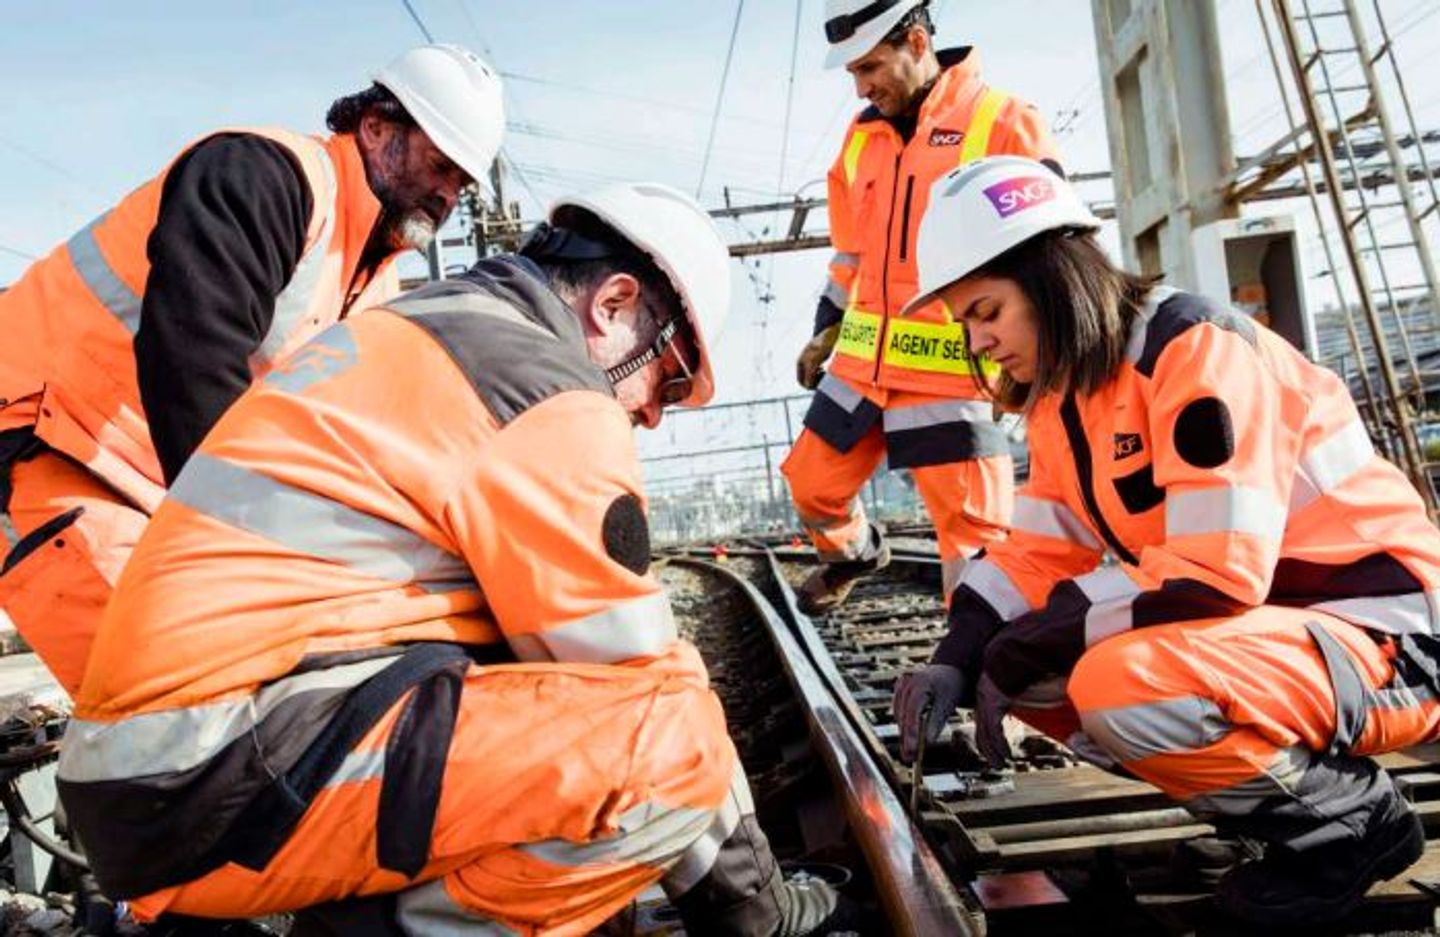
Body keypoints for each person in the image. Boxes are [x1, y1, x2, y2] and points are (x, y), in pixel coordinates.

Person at [56, 183, 854, 937]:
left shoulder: (408, 330)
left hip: (169, 773)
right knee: (668, 741)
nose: (650, 413)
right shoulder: (539, 387)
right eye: (669, 381)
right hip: (213, 778)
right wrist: (757, 906)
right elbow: (640, 676)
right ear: (614, 305)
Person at [892, 155, 1440, 924]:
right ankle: (1269, 815)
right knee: (1040, 670)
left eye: (987, 311)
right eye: (965, 324)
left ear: (1053, 277)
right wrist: (959, 654)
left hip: (1388, 635)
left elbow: (1213, 573)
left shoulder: (1193, 348)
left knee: (1121, 681)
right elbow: (1036, 553)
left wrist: (1031, 639)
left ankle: (1348, 822)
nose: (978, 342)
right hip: (1279, 642)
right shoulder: (1066, 399)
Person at [0, 44, 506, 695]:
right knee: (172, 696)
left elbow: (354, 447)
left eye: (461, 185)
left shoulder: (371, 281)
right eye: (440, 165)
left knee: (273, 682)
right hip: (39, 437)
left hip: (141, 484)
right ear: (377, 128)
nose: (446, 194)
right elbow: (192, 362)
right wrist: (260, 560)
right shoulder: (264, 178)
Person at [782, 0, 1064, 614]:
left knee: (973, 545)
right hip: (861, 365)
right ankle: (854, 554)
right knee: (809, 486)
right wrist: (826, 328)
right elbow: (849, 257)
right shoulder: (860, 142)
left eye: (870, 67)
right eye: (853, 72)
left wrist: (1038, 358)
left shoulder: (1005, 120)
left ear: (915, 40)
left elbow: (1053, 251)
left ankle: (982, 671)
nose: (860, 86)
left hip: (949, 374)